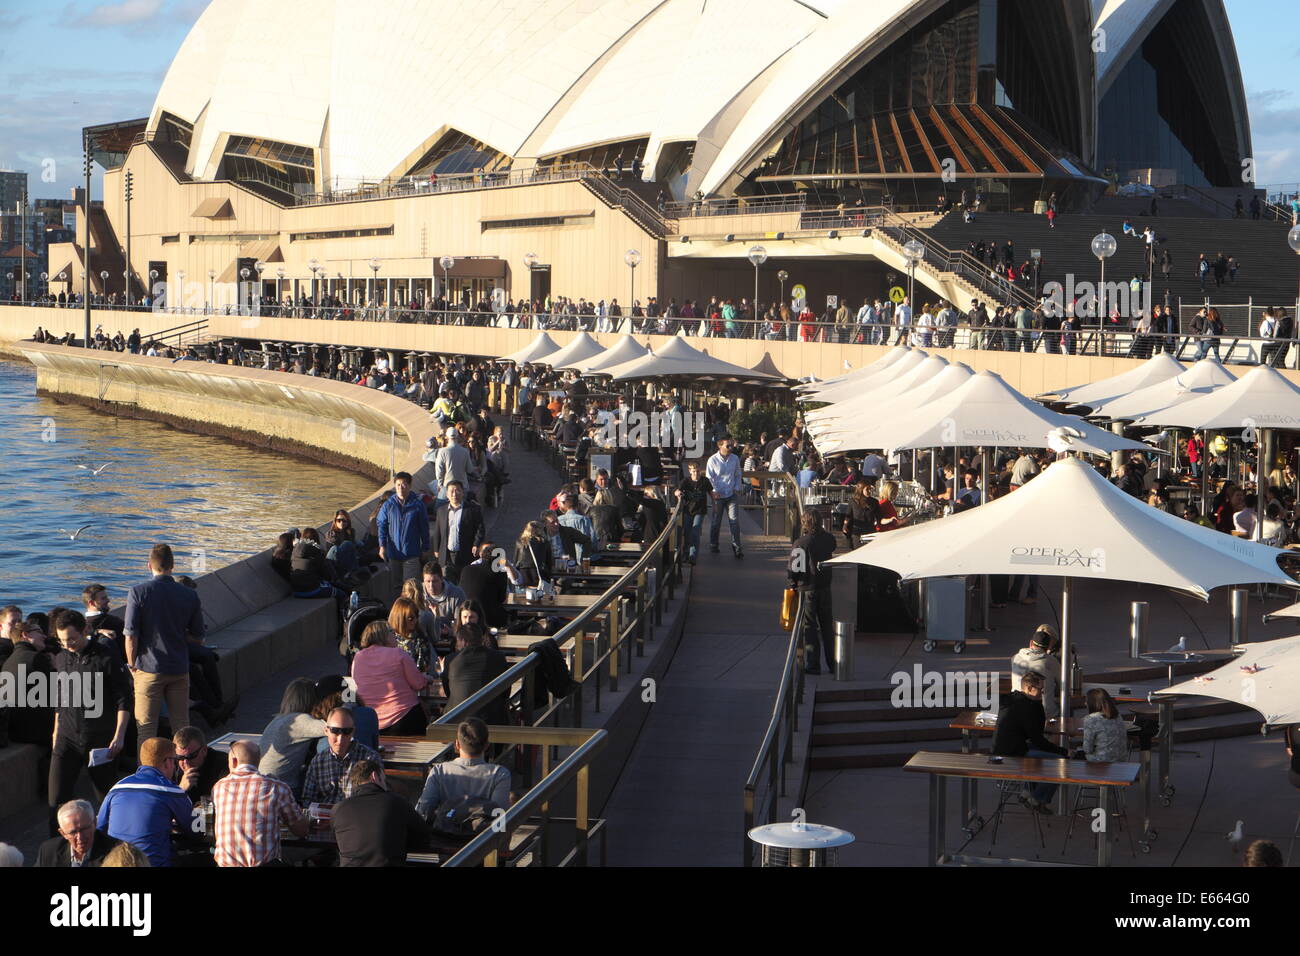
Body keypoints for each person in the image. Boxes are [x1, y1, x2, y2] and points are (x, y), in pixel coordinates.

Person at [47, 610, 132, 835]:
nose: (68, 644)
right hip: (66, 737)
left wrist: (119, 735)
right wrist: (56, 733)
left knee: (106, 798)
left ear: (85, 630)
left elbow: (123, 698)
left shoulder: (105, 656)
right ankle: (55, 850)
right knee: (56, 799)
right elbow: (60, 696)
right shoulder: (61, 657)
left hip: (99, 738)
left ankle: (109, 846)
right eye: (62, 640)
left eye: (72, 639)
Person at [124, 543, 204, 741]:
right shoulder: (189, 594)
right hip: (178, 668)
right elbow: (198, 637)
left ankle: (147, 770)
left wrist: (132, 665)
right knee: (181, 729)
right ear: (172, 565)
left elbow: (131, 636)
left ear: (148, 565)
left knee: (146, 729)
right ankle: (185, 768)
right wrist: (179, 634)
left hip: (148, 669)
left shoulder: (138, 592)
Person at [97, 737, 194, 867]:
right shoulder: (172, 792)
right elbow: (196, 830)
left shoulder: (116, 788)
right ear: (167, 762)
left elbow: (100, 829)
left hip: (116, 863)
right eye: (175, 761)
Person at [212, 740, 309, 867]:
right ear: (258, 762)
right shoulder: (277, 787)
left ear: (234, 761)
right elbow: (301, 830)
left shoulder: (218, 787)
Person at [331, 759, 432, 866]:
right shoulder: (397, 803)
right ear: (374, 776)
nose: (386, 785)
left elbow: (338, 840)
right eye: (384, 780)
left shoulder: (338, 809)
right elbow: (423, 837)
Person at [991, 672, 1068, 811]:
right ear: (1029, 688)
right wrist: (1065, 752)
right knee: (1060, 762)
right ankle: (1036, 799)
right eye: (1040, 690)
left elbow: (1037, 733)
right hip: (1012, 755)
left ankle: (1027, 792)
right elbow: (1038, 739)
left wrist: (1038, 705)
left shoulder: (1014, 699)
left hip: (1004, 750)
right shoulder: (1026, 707)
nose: (1043, 693)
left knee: (1045, 753)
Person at [415, 718, 512, 822]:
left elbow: (424, 810)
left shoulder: (439, 771)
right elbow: (499, 817)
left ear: (457, 744)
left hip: (445, 834)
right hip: (482, 835)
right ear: (487, 745)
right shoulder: (500, 774)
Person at [351, 621, 430, 735]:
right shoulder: (398, 653)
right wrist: (427, 679)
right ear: (384, 635)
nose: (396, 636)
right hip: (403, 715)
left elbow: (357, 682)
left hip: (371, 720)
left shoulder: (358, 657)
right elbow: (418, 684)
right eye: (392, 632)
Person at [258, 677, 328, 798]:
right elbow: (334, 727)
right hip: (283, 787)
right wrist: (348, 704)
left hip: (263, 782)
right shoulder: (299, 720)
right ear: (311, 699)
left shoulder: (278, 719)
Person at [301, 706, 382, 805]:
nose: (340, 739)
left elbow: (378, 800)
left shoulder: (371, 759)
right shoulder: (318, 761)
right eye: (335, 731)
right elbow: (307, 800)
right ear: (326, 731)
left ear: (353, 732)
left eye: (346, 732)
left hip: (356, 817)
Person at [789, 511, 837, 674]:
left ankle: (813, 663)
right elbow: (833, 546)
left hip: (807, 587)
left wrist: (792, 583)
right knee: (827, 627)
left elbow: (794, 569)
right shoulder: (829, 539)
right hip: (825, 586)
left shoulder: (801, 542)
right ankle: (833, 662)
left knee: (810, 626)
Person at [442, 626, 510, 724]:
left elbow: (448, 691)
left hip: (456, 719)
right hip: (492, 719)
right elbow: (505, 691)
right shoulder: (498, 657)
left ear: (462, 641)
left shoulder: (450, 659)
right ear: (481, 640)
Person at [377, 471, 430, 595]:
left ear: (410, 486)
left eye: (404, 484)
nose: (401, 488)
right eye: (398, 485)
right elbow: (382, 525)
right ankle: (399, 611)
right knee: (396, 587)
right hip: (393, 553)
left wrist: (426, 548)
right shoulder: (388, 505)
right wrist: (382, 545)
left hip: (411, 553)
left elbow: (424, 528)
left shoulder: (418, 505)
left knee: (411, 587)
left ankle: (411, 612)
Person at [38, 799, 121, 867]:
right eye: (73, 832)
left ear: (95, 823)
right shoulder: (48, 851)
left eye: (84, 829)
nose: (80, 837)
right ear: (63, 833)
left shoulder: (115, 852)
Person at [432, 480, 485, 584]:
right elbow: (437, 531)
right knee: (447, 584)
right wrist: (436, 549)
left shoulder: (473, 509)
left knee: (465, 583)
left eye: (457, 491)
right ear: (446, 494)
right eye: (451, 491)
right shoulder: (441, 510)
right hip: (447, 555)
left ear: (463, 492)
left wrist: (476, 544)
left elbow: (480, 529)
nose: (454, 494)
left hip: (466, 553)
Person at [1010, 624, 1063, 719]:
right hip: (1044, 713)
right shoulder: (1051, 661)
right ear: (1048, 648)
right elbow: (1063, 684)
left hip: (1016, 709)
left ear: (1031, 643)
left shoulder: (1015, 658)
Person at [705, 437, 744, 558]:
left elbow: (738, 474)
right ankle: (713, 544)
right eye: (728, 446)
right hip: (718, 495)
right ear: (720, 446)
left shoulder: (735, 458)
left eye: (731, 445)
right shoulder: (712, 460)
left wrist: (737, 487)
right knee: (716, 522)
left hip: (731, 493)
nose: (730, 448)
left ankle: (737, 547)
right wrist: (714, 492)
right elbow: (709, 478)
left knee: (734, 521)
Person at [173, 726, 229, 800]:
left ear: (204, 751)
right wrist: (181, 789)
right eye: (180, 757)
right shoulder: (170, 765)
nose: (185, 762)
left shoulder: (222, 763)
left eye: (191, 756)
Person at [674, 460, 712, 564]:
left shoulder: (705, 481)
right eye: (694, 471)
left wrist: (715, 505)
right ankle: (685, 553)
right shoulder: (686, 481)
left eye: (698, 471)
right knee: (687, 533)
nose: (696, 473)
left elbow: (711, 492)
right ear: (690, 471)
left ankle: (692, 556)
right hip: (688, 510)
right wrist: (677, 493)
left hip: (700, 510)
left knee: (695, 532)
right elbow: (678, 490)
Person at [1079, 688, 1128, 762]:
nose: (1085, 703)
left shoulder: (1091, 719)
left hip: (1101, 762)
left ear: (1092, 703)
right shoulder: (1118, 716)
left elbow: (1087, 749)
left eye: (1087, 701)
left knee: (1074, 756)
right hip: (1121, 760)